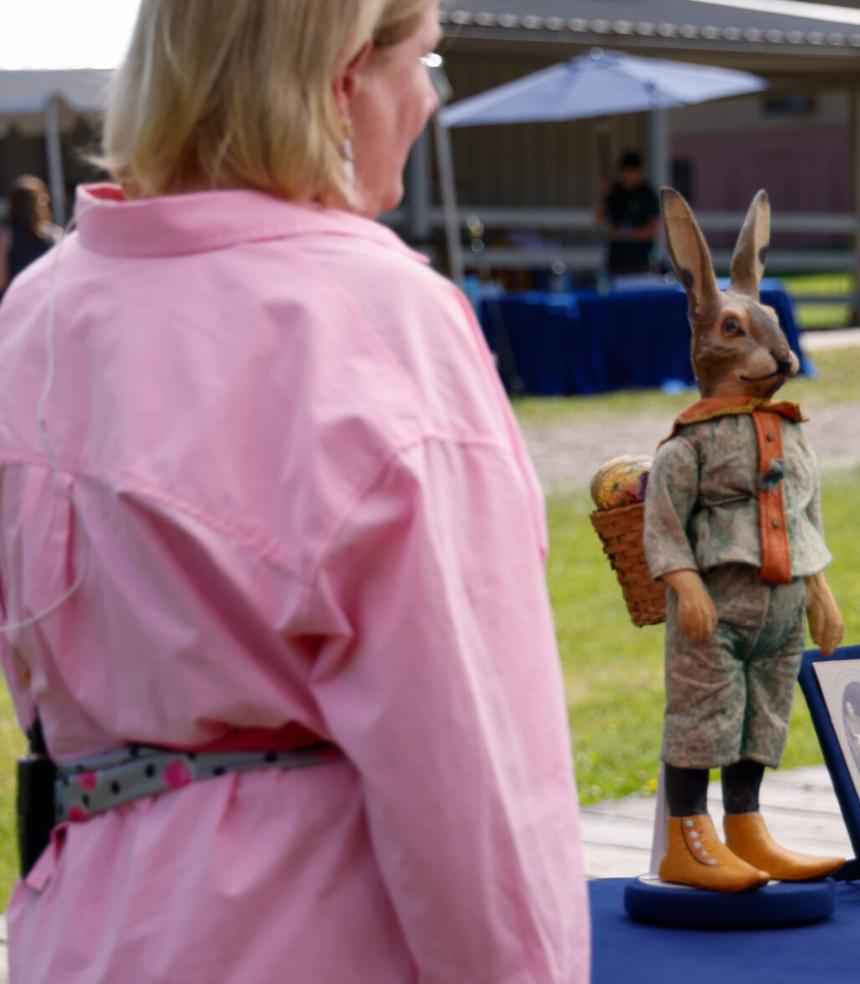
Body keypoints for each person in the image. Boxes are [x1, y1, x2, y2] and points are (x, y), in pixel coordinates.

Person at [0, 1, 588, 980]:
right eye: (425, 57)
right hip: (315, 932)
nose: (433, 97)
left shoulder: (38, 312)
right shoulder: (373, 318)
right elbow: (475, 787)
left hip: (84, 927)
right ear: (344, 77)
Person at [0, 176, 63, 300]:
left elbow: (1, 279)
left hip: (17, 301)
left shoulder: (6, 235)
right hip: (46, 301)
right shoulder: (55, 234)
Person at [598, 150, 660, 276]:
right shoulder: (614, 191)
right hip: (616, 261)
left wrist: (623, 235)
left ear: (640, 172)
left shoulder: (648, 194)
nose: (629, 175)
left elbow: (652, 230)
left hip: (642, 261)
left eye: (633, 171)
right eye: (626, 171)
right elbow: (598, 218)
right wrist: (603, 195)